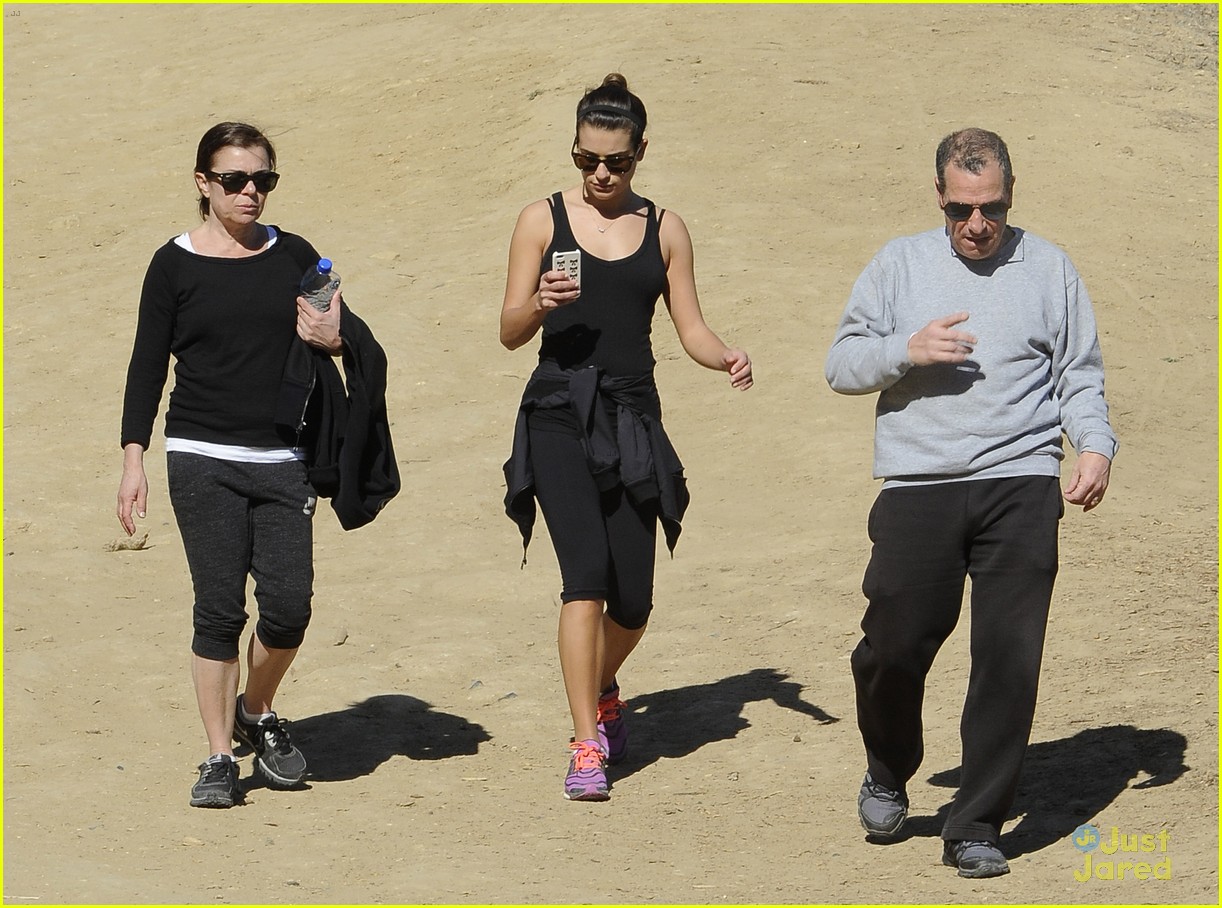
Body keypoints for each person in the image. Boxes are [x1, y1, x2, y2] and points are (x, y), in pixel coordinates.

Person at [825, 128, 1117, 877]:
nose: (976, 225)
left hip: (1020, 482)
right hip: (919, 484)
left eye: (989, 209)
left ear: (1010, 196)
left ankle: (977, 823)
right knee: (892, 646)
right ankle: (888, 769)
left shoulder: (1050, 268)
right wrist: (906, 350)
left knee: (1008, 658)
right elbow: (842, 364)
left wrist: (1094, 445)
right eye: (961, 210)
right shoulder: (899, 264)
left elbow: (1078, 374)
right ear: (940, 197)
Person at [501, 74, 753, 801]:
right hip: (557, 411)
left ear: (640, 152)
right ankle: (587, 744)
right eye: (587, 160)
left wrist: (726, 354)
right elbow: (509, 331)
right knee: (583, 579)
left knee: (633, 602)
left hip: (634, 417)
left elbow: (691, 327)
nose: (601, 174)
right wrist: (540, 304)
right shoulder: (541, 221)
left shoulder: (666, 228)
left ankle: (602, 680)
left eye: (616, 161)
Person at [118, 122, 353, 808]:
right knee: (218, 610)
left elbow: (338, 331)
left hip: (284, 457)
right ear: (203, 184)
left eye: (263, 180)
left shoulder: (299, 256)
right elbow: (145, 367)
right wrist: (134, 459)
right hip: (201, 455)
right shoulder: (173, 264)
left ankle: (256, 707)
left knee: (289, 607)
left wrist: (335, 336)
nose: (251, 192)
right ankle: (220, 755)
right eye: (235, 181)